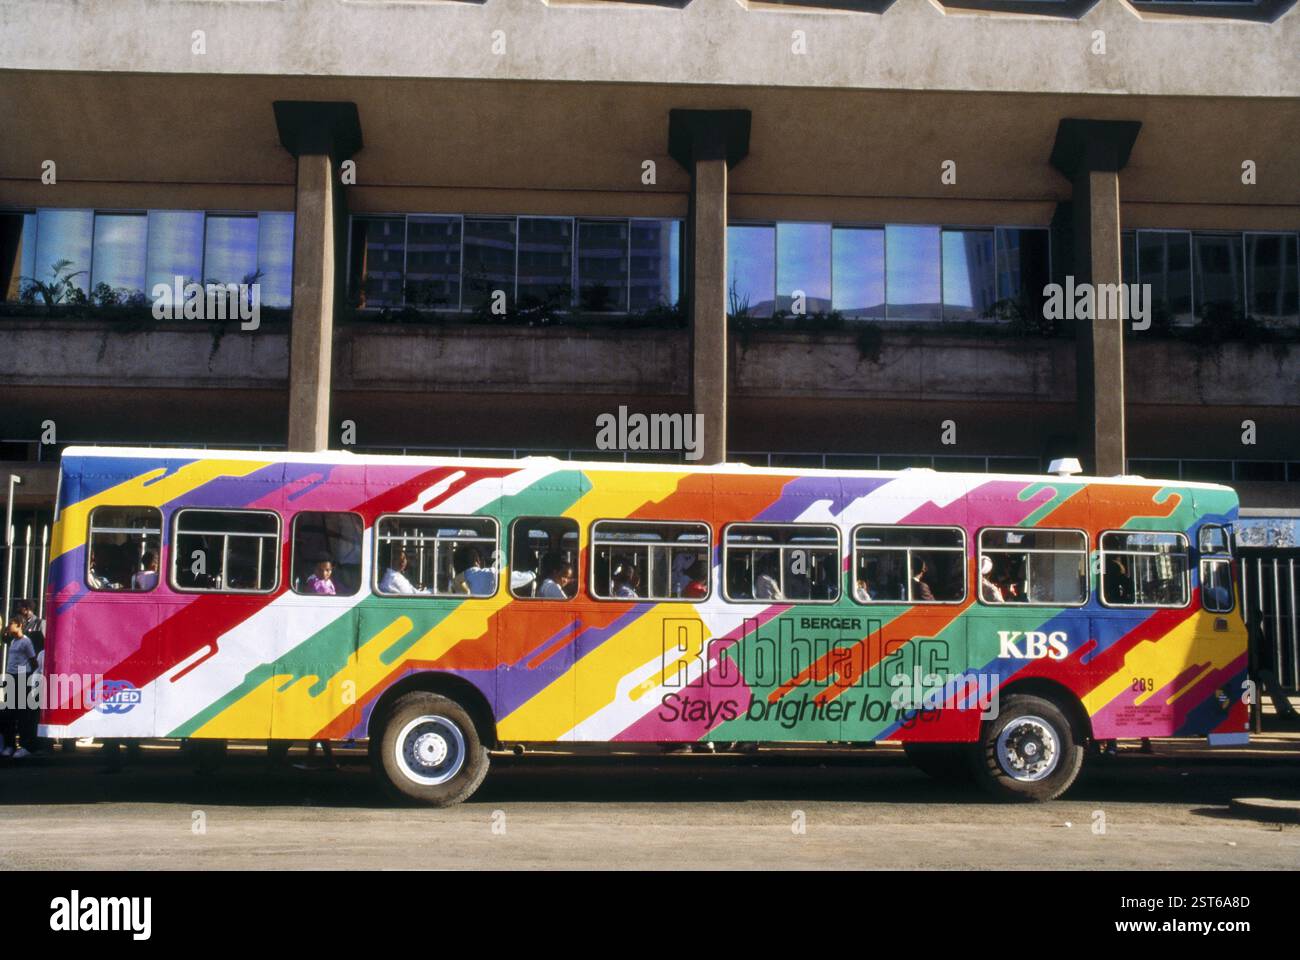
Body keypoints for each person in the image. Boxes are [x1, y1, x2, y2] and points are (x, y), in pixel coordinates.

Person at [1, 617, 37, 759]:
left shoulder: (26, 642)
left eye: (11, 624)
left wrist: (27, 676)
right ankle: (10, 745)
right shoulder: (13, 641)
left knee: (22, 713)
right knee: (9, 712)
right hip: (11, 676)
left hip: (21, 677)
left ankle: (25, 746)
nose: (9, 626)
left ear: (19, 626)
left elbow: (33, 660)